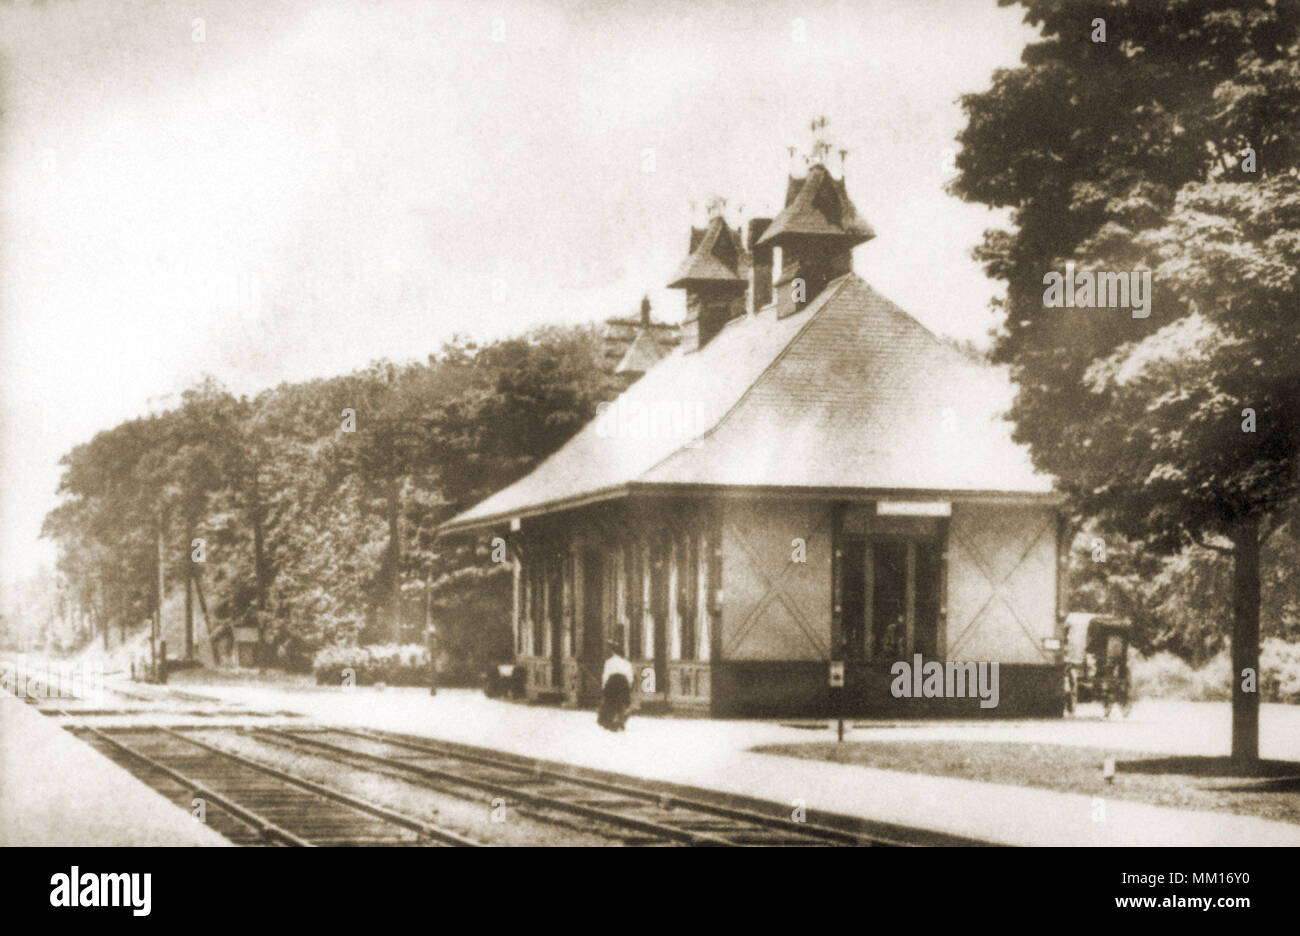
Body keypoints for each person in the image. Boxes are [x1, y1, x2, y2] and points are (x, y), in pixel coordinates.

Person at [597, 637, 634, 732]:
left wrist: (604, 687)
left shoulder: (609, 662)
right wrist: (628, 688)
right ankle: (620, 721)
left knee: (610, 702)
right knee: (622, 703)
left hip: (612, 682)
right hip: (623, 683)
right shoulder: (627, 663)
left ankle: (609, 721)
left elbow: (605, 675)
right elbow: (630, 677)